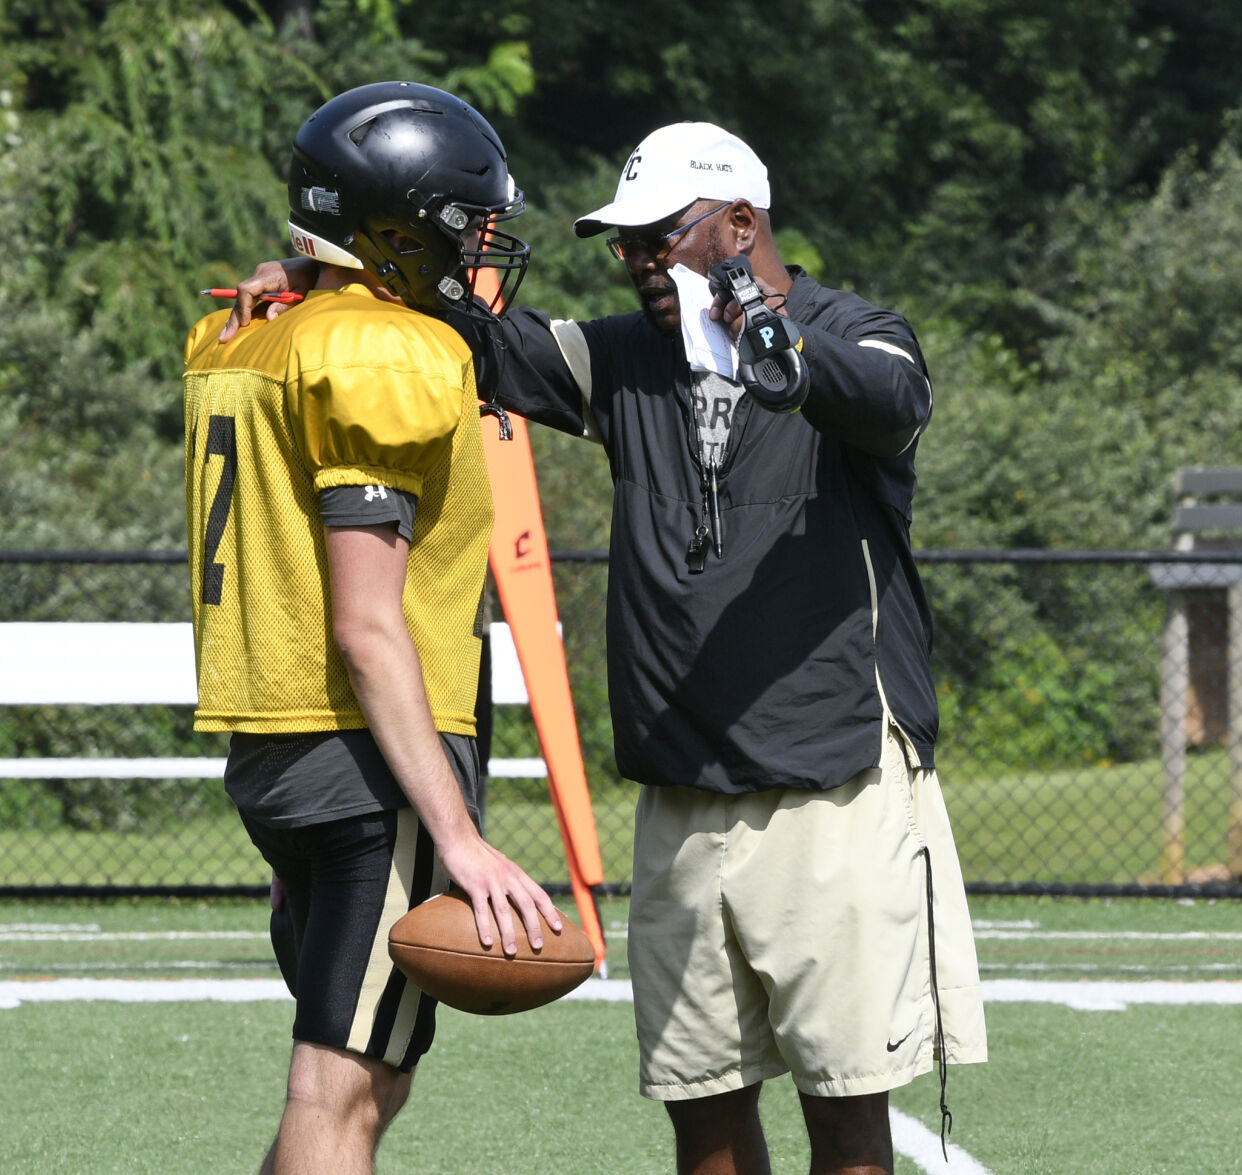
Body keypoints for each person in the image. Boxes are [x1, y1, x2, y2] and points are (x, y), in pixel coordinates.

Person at [226, 121, 986, 1175]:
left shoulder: (858, 330)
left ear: (736, 223)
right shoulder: (626, 354)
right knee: (703, 1108)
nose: (632, 261)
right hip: (680, 792)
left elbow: (889, 400)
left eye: (654, 237)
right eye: (621, 244)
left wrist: (774, 338)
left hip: (836, 778)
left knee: (847, 1115)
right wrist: (328, 275)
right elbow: (472, 335)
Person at [183, 81, 561, 1175]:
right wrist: (457, 834)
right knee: (339, 1089)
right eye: (461, 226)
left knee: (340, 1080)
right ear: (396, 228)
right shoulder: (382, 355)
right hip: (368, 757)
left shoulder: (239, 334)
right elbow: (367, 622)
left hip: (278, 747)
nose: (478, 252)